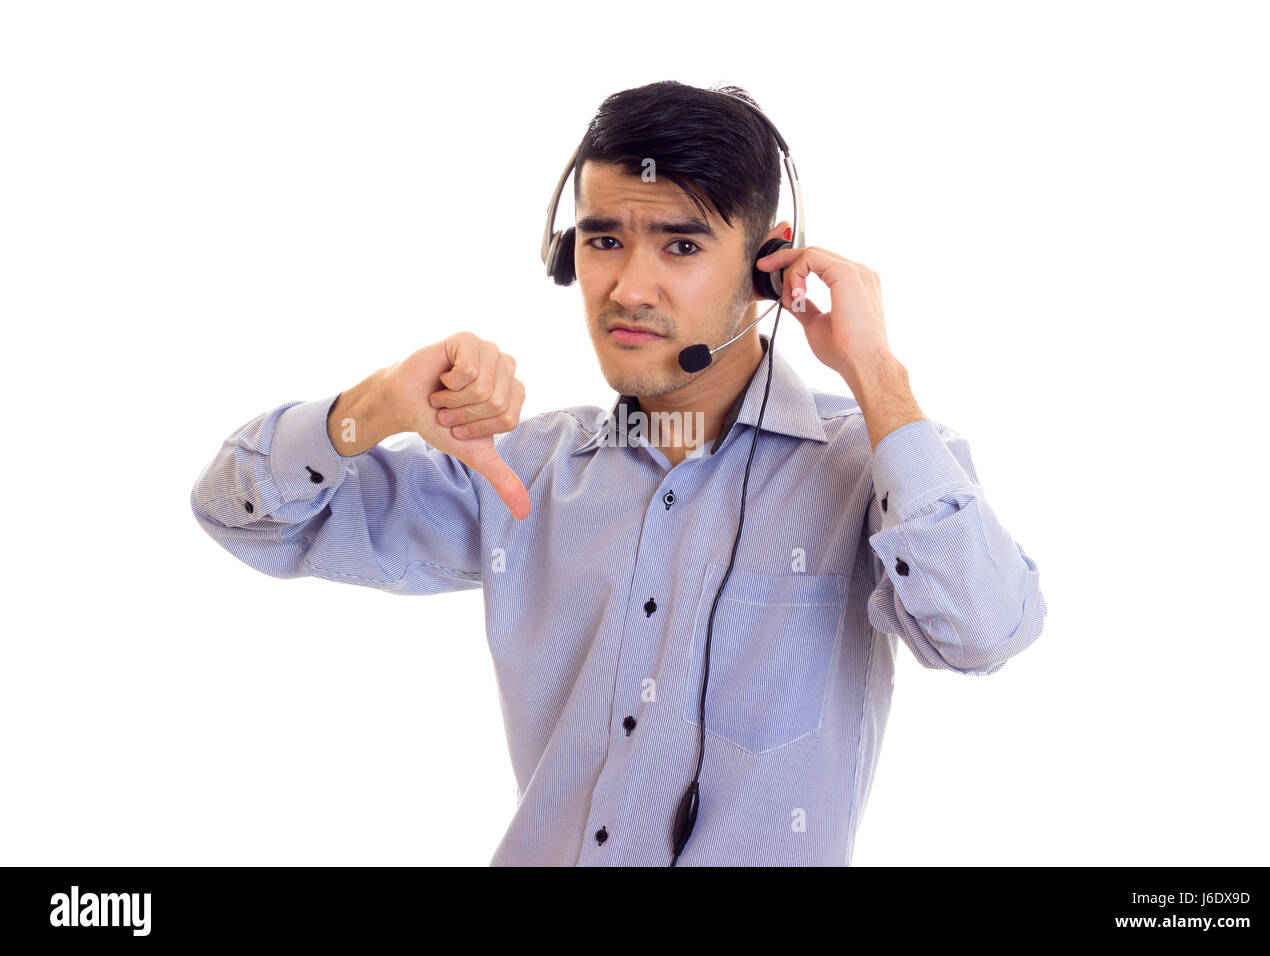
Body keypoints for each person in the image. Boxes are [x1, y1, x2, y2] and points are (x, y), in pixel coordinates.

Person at [191, 81, 1047, 866]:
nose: (628, 287)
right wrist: (370, 407)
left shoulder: (877, 465)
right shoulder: (525, 470)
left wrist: (878, 373)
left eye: (680, 244)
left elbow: (985, 632)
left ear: (767, 265)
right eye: (604, 239)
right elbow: (240, 514)